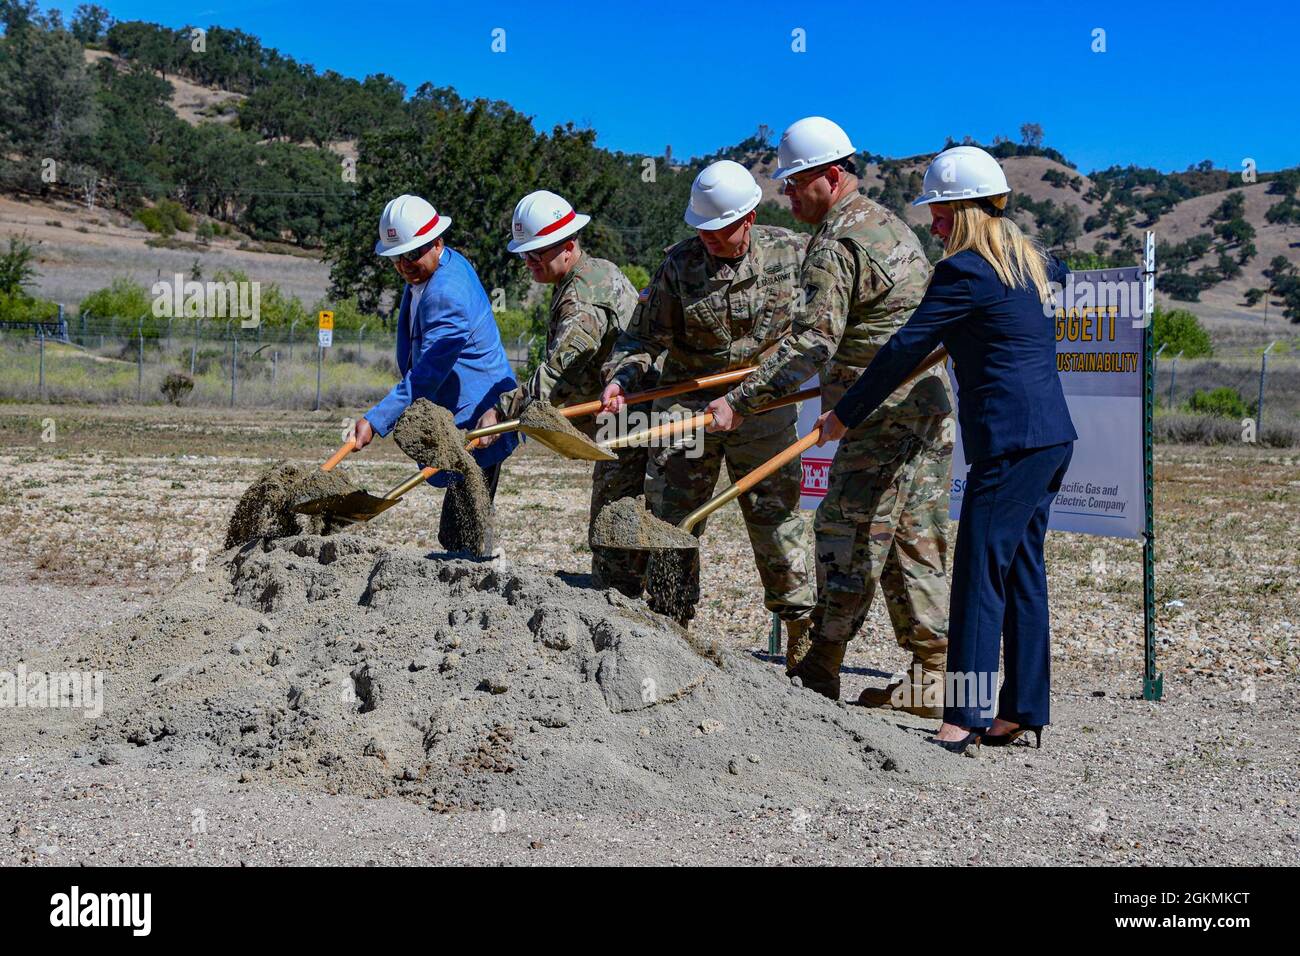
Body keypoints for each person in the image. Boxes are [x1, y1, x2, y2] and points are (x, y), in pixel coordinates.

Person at [815, 145, 1078, 752]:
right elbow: (1059, 268)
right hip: (1053, 439)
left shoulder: (964, 271)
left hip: (1010, 445)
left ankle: (965, 717)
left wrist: (845, 415)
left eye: (939, 212)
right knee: (1021, 570)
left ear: (965, 210)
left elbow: (904, 348)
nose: (932, 224)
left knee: (979, 573)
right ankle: (1022, 709)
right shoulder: (1030, 260)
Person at [706, 117, 954, 715]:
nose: (787, 197)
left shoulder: (835, 244)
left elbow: (813, 343)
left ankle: (820, 668)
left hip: (880, 416)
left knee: (843, 533)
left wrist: (739, 404)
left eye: (795, 184)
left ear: (832, 175)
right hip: (928, 407)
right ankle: (934, 674)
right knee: (913, 539)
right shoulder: (889, 223)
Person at [600, 160, 815, 657]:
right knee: (674, 515)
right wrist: (622, 378)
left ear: (750, 218)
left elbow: (828, 315)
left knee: (775, 519)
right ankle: (670, 627)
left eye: (720, 229)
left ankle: (802, 637)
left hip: (764, 407)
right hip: (690, 410)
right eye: (702, 229)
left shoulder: (795, 252)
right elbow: (641, 337)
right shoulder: (678, 265)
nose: (710, 238)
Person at [475, 190, 650, 596]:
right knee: (625, 524)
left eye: (537, 253)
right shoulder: (588, 273)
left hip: (631, 421)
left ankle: (626, 613)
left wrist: (502, 413)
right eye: (525, 254)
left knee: (613, 530)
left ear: (569, 245)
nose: (529, 262)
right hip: (624, 419)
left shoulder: (582, 300)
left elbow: (556, 374)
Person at [352, 193, 520, 557]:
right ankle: (484, 565)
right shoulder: (431, 270)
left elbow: (427, 374)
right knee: (463, 526)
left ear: (437, 242)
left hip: (479, 419)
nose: (404, 264)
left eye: (412, 254)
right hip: (458, 417)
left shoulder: (448, 293)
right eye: (397, 258)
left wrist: (375, 420)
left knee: (460, 531)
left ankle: (485, 576)